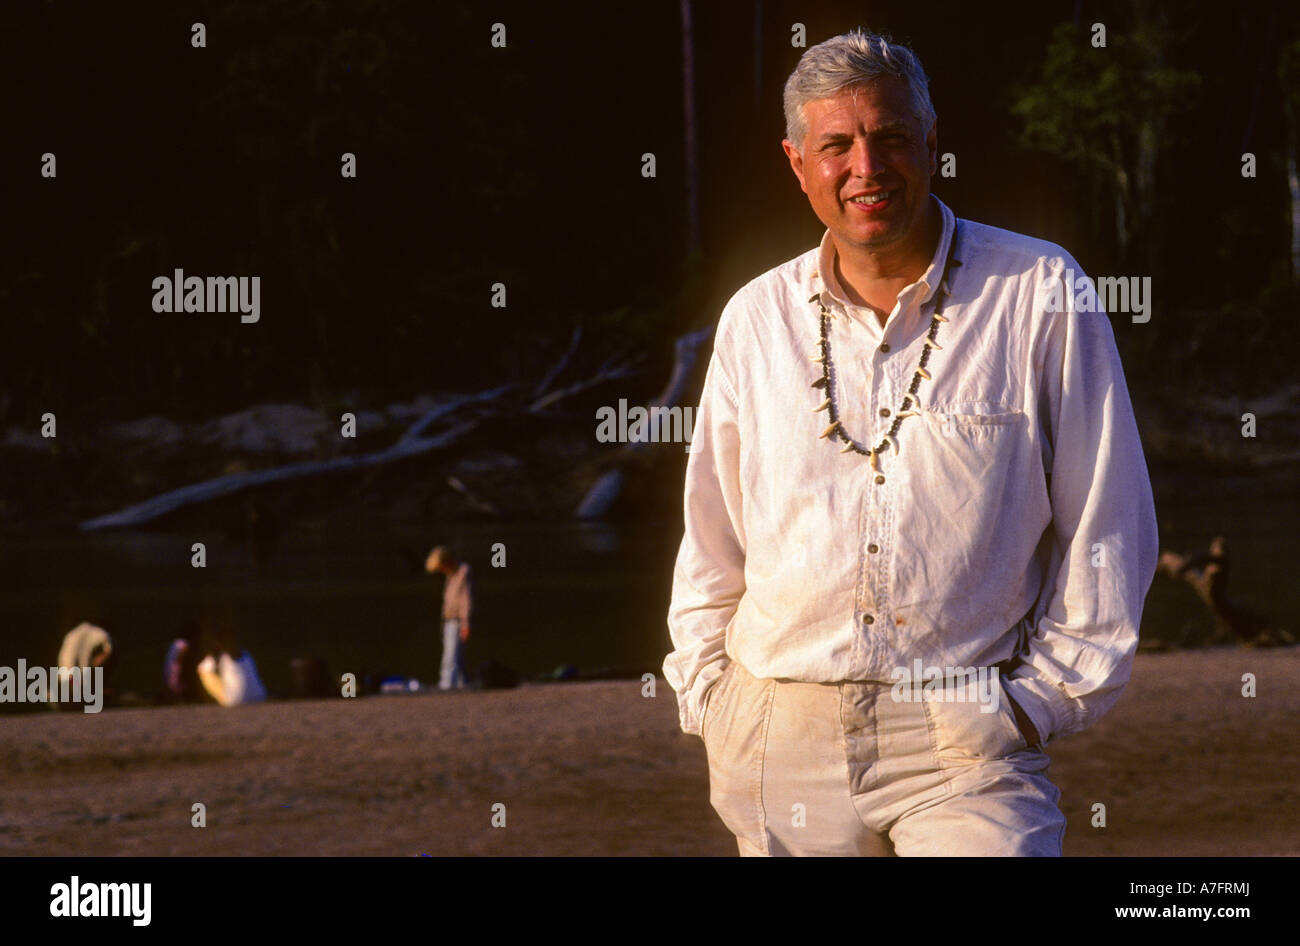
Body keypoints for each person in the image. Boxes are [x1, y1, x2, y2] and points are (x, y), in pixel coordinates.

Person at [663, 28, 1158, 856]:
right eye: (837, 145)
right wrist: (712, 698)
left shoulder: (1039, 292)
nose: (867, 166)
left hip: (966, 733)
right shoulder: (756, 319)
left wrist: (1036, 703)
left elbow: (1108, 520)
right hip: (777, 733)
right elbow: (710, 538)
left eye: (890, 137)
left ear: (931, 143)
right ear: (797, 162)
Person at [425, 545, 473, 690]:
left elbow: (466, 600)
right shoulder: (450, 575)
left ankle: (447, 684)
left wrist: (466, 623)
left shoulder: (463, 572)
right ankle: (461, 683)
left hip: (457, 620)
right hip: (448, 619)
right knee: (455, 653)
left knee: (451, 654)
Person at [196, 628, 267, 707]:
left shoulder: (219, 656)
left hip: (235, 700)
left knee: (204, 673)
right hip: (259, 696)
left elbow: (201, 669)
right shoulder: (246, 654)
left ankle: (223, 698)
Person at [55, 621, 116, 711]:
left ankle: (69, 698)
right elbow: (108, 649)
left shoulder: (73, 634)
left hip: (65, 659)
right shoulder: (100, 633)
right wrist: (99, 659)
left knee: (70, 678)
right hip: (74, 662)